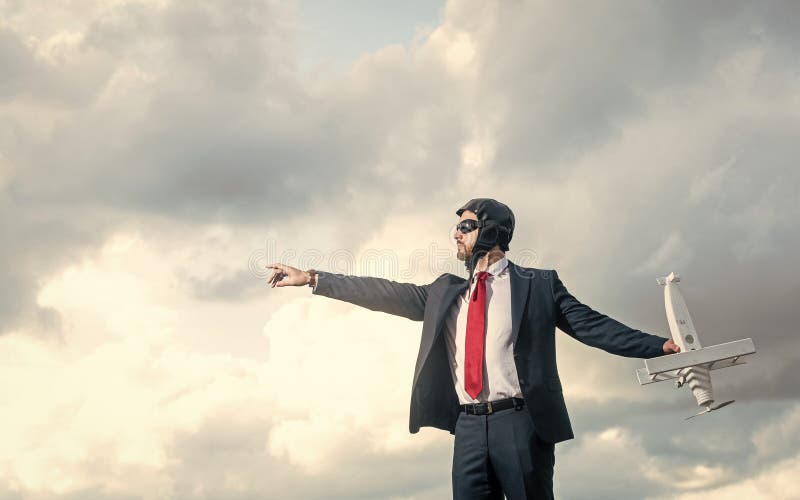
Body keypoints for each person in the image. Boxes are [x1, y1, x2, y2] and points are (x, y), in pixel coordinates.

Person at [267, 198, 680, 500]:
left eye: (465, 227)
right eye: (457, 229)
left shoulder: (538, 285)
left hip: (520, 424)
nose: (456, 235)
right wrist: (312, 279)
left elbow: (593, 326)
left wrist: (659, 345)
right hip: (466, 428)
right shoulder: (446, 292)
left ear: (493, 230)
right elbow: (382, 291)